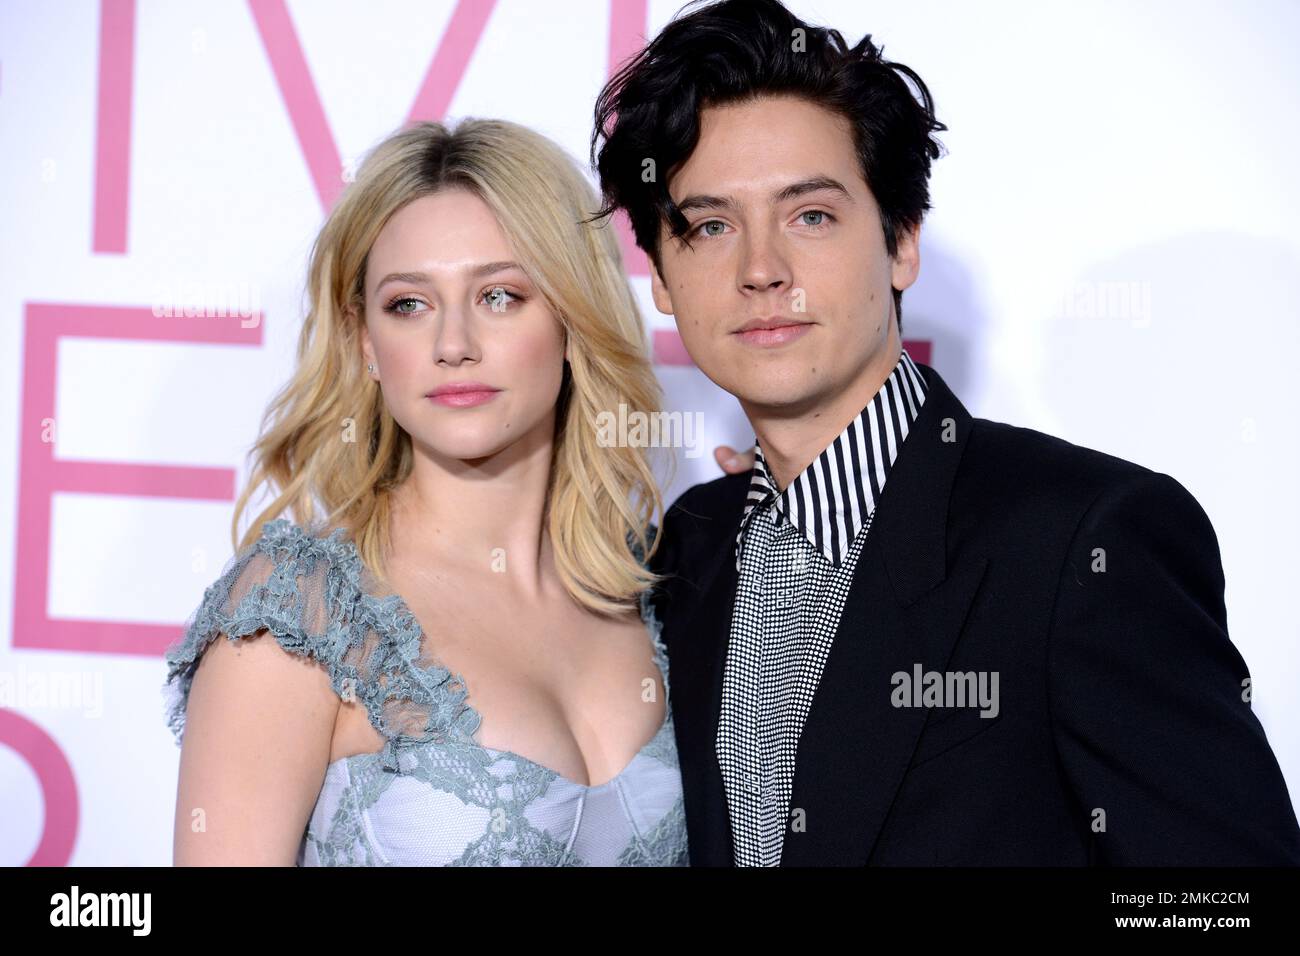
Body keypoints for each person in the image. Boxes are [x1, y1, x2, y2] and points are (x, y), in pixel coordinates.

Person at [590, 0, 1300, 865]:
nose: (761, 270)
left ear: (901, 243)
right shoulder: (686, 549)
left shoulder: (1082, 539)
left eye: (810, 216)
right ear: (661, 278)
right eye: (709, 227)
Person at [163, 118, 695, 866]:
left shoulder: (658, 589)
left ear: (573, 319)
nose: (453, 344)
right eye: (409, 304)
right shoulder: (301, 611)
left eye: (501, 296)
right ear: (364, 343)